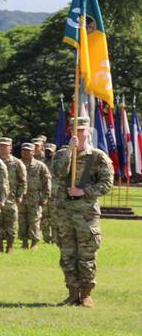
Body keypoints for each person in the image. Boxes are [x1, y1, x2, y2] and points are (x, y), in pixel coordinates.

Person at [49, 117, 114, 307]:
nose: (78, 133)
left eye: (82, 130)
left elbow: (107, 183)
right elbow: (59, 173)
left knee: (86, 255)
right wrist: (69, 150)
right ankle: (72, 293)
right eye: (74, 130)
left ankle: (86, 294)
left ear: (88, 132)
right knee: (67, 254)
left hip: (86, 214)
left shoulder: (97, 157)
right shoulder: (62, 154)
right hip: (64, 212)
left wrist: (84, 191)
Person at [0, 137, 27, 254]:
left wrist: (20, 196)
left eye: (5, 146)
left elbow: (23, 181)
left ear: (10, 148)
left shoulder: (17, 163)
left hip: (11, 198)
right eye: (1, 145)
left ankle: (10, 246)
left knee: (11, 223)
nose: (3, 147)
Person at [19, 142, 51, 248]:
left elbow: (47, 182)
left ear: (33, 152)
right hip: (20, 197)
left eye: (28, 151)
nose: (26, 153)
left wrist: (45, 197)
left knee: (34, 220)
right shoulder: (18, 164)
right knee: (22, 221)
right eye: (24, 150)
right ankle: (24, 241)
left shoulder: (40, 166)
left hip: (35, 197)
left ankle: (34, 242)